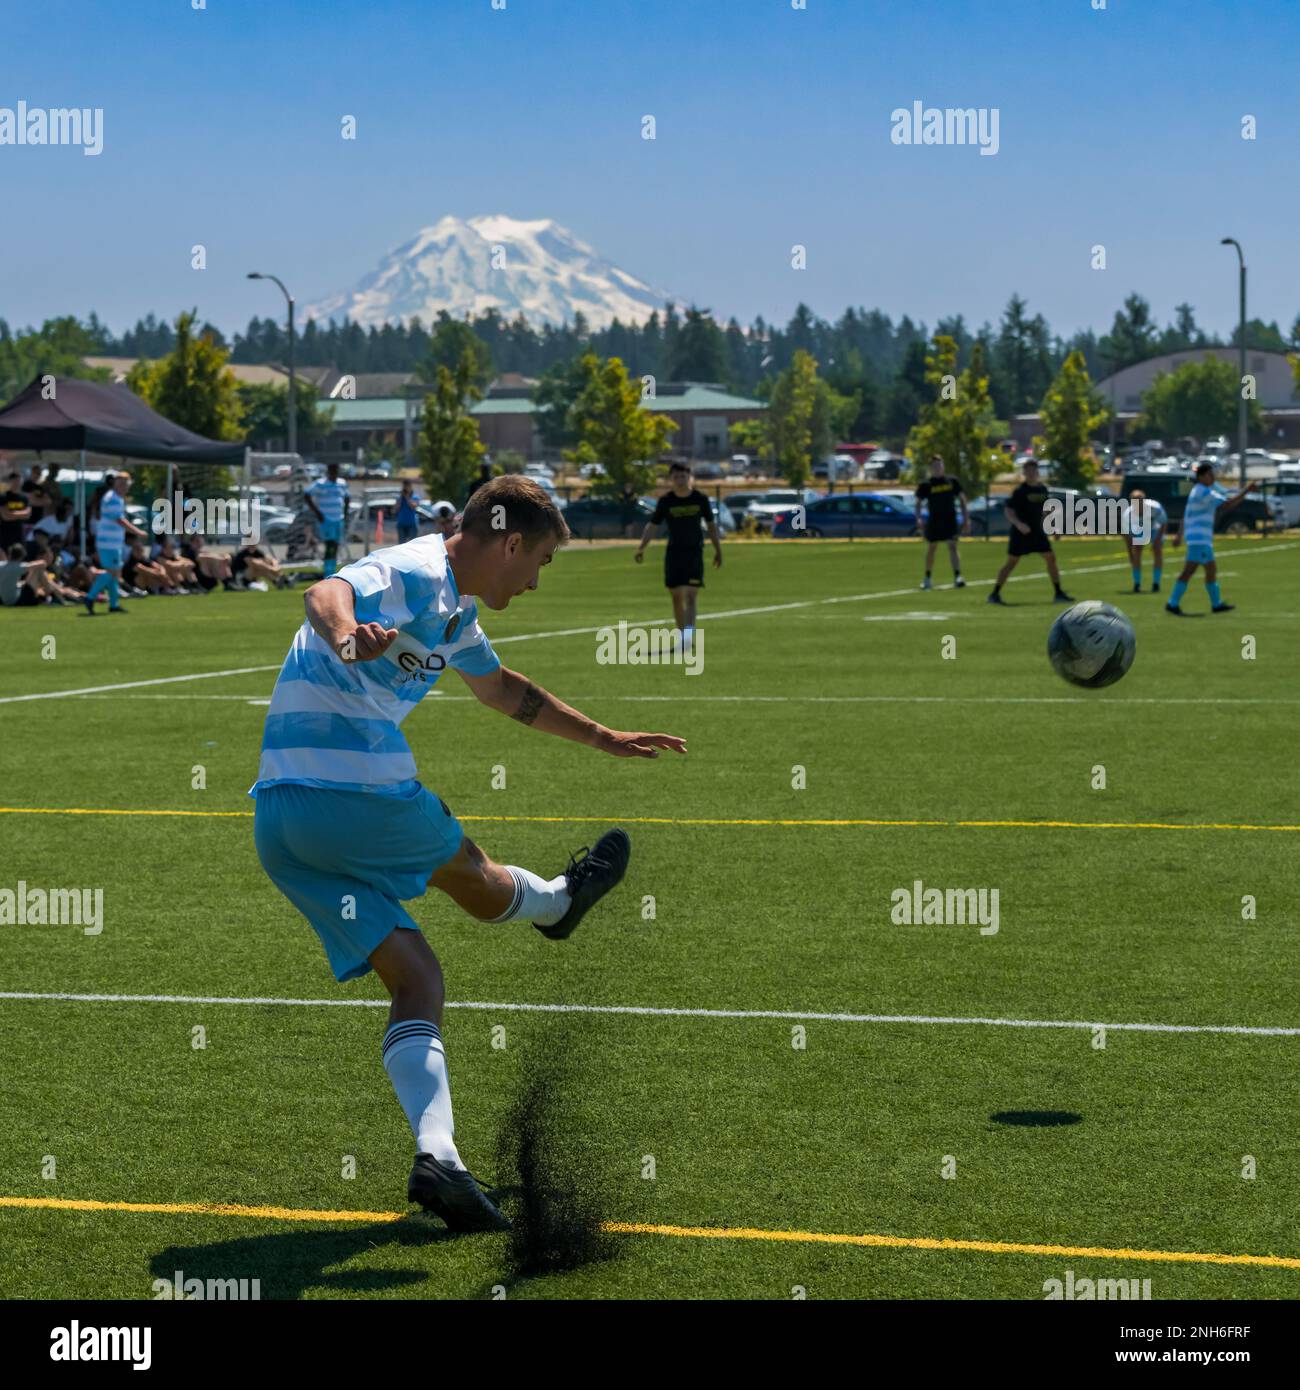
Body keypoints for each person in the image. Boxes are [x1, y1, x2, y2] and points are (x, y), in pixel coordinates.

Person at [251, 475, 686, 1230]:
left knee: (417, 979)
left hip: (283, 824)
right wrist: (349, 634)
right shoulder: (419, 570)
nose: (538, 577)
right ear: (510, 541)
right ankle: (558, 902)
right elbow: (325, 592)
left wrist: (602, 736)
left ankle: (440, 1160)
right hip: (356, 792)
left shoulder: (455, 614)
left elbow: (504, 692)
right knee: (481, 884)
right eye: (541, 560)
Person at [634, 461, 722, 646]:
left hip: (694, 552)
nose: (680, 480)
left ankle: (688, 638)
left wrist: (718, 550)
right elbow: (653, 526)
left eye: (683, 476)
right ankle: (682, 636)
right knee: (676, 597)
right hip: (674, 553)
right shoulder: (666, 501)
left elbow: (712, 526)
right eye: (676, 477)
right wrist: (642, 547)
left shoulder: (700, 499)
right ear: (671, 479)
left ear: (689, 477)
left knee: (691, 596)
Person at [1166, 462, 1257, 615]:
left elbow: (1186, 515)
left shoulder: (1198, 491)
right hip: (1199, 539)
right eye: (1210, 474)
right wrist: (1246, 490)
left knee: (1210, 570)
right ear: (1201, 477)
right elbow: (1228, 504)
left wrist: (1179, 535)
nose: (1213, 477)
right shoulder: (1203, 492)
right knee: (1189, 572)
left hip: (1199, 539)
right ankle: (1173, 603)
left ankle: (1216, 604)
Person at [988, 460, 1075, 605]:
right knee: (1011, 563)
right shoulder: (1020, 491)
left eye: (1033, 470)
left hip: (1037, 531)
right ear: (1024, 473)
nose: (1031, 473)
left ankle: (1058, 593)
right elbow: (1009, 511)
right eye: (1028, 471)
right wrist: (1018, 524)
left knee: (1050, 558)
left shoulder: (1042, 489)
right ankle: (994, 594)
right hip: (1020, 533)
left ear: (1037, 472)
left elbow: (1046, 510)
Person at [83, 471, 145, 616]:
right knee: (112, 572)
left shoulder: (116, 498)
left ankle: (114, 604)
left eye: (126, 484)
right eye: (121, 483)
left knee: (115, 573)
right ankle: (90, 597)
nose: (124, 486)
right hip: (108, 542)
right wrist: (137, 532)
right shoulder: (113, 498)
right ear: (116, 483)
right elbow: (119, 519)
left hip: (112, 542)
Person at [914, 455, 968, 590]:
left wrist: (966, 518)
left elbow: (962, 499)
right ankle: (927, 578)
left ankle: (958, 576)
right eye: (934, 466)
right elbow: (918, 502)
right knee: (932, 548)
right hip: (934, 520)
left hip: (950, 519)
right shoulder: (926, 485)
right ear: (931, 468)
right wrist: (919, 518)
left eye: (939, 465)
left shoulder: (952, 481)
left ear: (943, 466)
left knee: (953, 547)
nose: (937, 468)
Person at [305, 463, 350, 578]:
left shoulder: (342, 483)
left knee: (335, 545)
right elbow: (307, 494)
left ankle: (332, 569)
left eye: (336, 471)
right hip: (326, 519)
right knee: (330, 544)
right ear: (328, 472)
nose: (334, 474)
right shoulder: (320, 484)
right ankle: (327, 571)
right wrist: (317, 513)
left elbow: (347, 497)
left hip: (338, 519)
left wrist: (345, 513)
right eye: (332, 471)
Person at [1124, 488, 1168, 594]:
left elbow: (1163, 523)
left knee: (1157, 551)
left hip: (1154, 529)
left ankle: (1156, 583)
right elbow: (1126, 535)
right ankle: (1137, 583)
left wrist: (1157, 540)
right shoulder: (1127, 514)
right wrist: (1130, 552)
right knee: (1137, 553)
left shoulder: (1155, 507)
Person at [0, 471, 32, 553]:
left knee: (19, 557)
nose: (17, 483)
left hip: (19, 533)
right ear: (10, 481)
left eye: (19, 480)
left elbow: (28, 515)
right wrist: (22, 514)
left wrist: (11, 514)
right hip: (5, 534)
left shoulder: (25, 498)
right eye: (15, 480)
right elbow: (5, 516)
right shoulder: (3, 497)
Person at [395, 480, 421, 545]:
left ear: (410, 486)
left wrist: (407, 497)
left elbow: (413, 507)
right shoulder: (399, 497)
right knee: (401, 544)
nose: (406, 488)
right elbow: (396, 509)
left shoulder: (415, 497)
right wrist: (401, 497)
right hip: (401, 523)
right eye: (404, 486)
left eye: (407, 485)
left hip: (412, 524)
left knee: (412, 544)